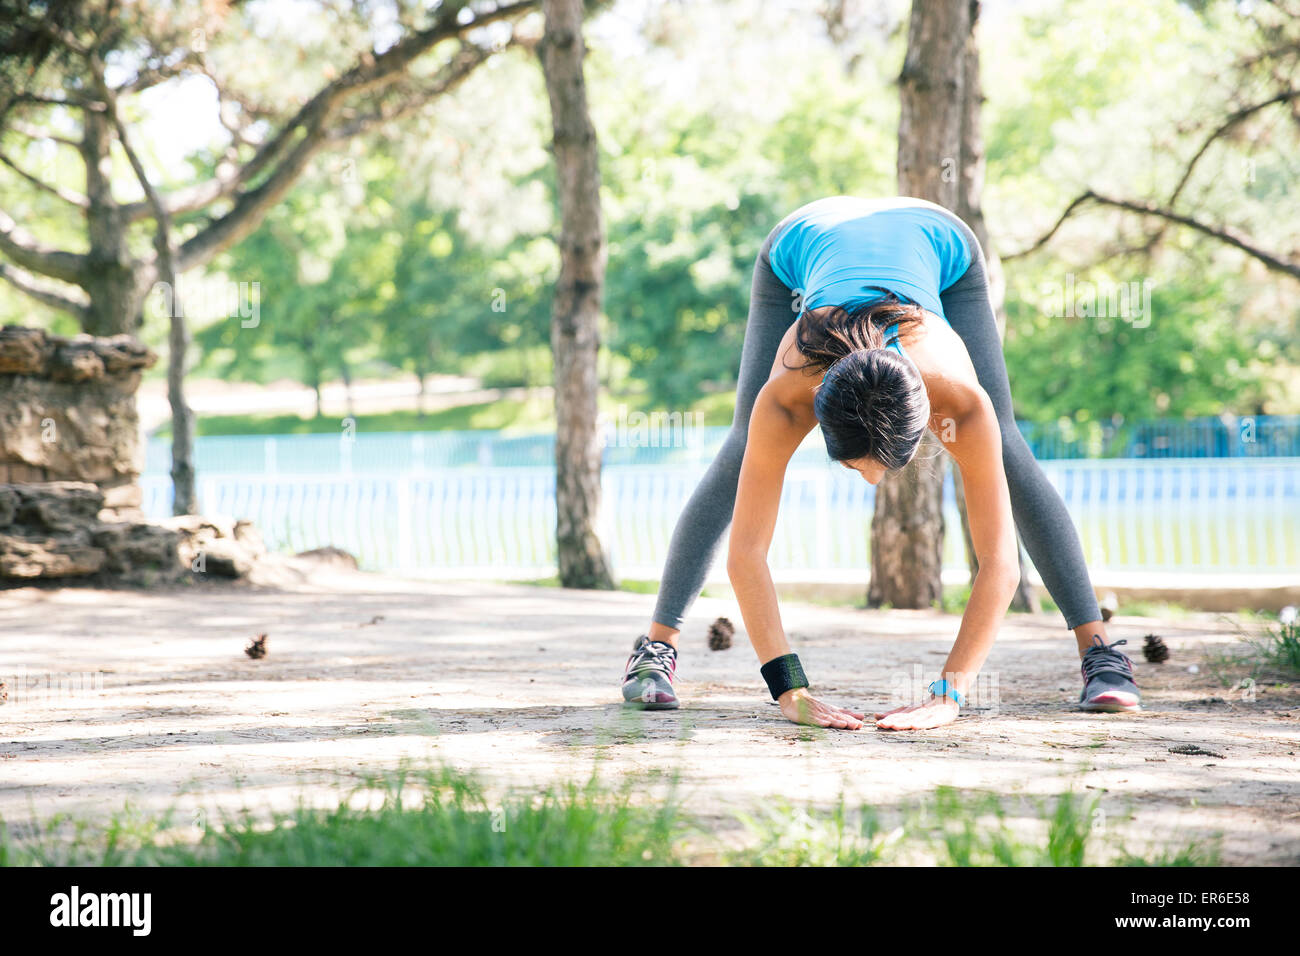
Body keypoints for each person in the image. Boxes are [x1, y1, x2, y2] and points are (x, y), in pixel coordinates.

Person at [619, 195, 1140, 731]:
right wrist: (789, 691)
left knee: (1006, 445)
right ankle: (656, 650)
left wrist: (948, 695)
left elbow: (1000, 565)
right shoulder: (784, 395)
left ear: (927, 422)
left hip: (941, 242)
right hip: (801, 240)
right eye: (855, 467)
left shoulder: (960, 402)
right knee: (740, 450)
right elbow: (746, 556)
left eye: (881, 466)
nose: (871, 480)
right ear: (817, 409)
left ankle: (1100, 652)